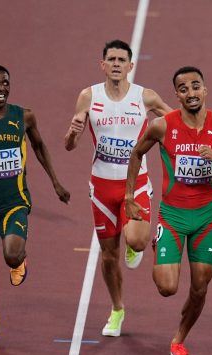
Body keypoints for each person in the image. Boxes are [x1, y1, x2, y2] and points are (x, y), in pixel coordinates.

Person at [125, 66, 212, 355]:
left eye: (195, 86)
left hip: (206, 218)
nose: (191, 93)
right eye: (183, 89)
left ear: (205, 89)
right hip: (172, 216)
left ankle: (178, 342)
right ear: (176, 95)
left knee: (200, 288)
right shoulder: (163, 126)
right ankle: (157, 248)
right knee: (167, 287)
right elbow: (137, 153)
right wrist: (129, 196)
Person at [0, 64, 70, 348]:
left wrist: (55, 182)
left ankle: (20, 261)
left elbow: (40, 147)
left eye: (5, 82)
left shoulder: (24, 116)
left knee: (12, 255)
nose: (1, 88)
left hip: (15, 201)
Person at [64, 40, 171, 337]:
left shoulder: (144, 97)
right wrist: (72, 134)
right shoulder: (88, 96)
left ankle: (135, 243)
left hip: (134, 182)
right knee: (109, 256)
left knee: (136, 241)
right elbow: (70, 145)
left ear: (130, 66)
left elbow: (176, 122)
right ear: (102, 64)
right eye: (110, 58)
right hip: (101, 186)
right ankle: (117, 309)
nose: (115, 63)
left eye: (121, 59)